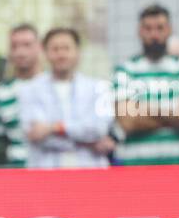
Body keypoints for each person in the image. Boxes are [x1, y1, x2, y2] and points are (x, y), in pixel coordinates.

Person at [113, 4, 179, 165]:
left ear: (169, 30)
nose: (154, 34)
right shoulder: (125, 70)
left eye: (159, 28)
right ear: (139, 32)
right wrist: (175, 114)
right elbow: (127, 122)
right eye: (148, 29)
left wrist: (145, 109)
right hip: (136, 166)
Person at [20, 27, 114, 169]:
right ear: (45, 53)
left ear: (77, 52)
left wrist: (53, 127)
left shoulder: (97, 88)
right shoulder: (29, 89)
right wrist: (88, 142)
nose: (61, 54)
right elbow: (36, 135)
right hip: (46, 173)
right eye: (55, 49)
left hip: (90, 171)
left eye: (66, 48)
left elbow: (98, 129)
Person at [0, 23, 43, 167]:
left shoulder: (53, 87)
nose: (20, 52)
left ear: (39, 47)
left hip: (52, 169)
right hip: (16, 168)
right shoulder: (1, 92)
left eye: (27, 45)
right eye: (14, 46)